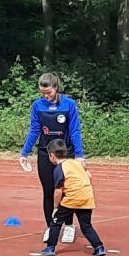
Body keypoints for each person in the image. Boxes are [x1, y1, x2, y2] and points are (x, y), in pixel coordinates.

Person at [18, 73, 85, 244]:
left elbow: (75, 130)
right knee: (48, 191)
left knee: (66, 190)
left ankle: (69, 226)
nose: (46, 96)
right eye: (42, 93)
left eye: (48, 92)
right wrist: (24, 153)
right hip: (46, 152)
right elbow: (35, 130)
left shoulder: (69, 104)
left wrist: (80, 155)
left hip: (66, 152)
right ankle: (51, 227)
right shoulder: (38, 106)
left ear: (56, 88)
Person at [36, 140, 106, 256]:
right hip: (86, 198)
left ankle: (50, 247)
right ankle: (99, 247)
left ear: (52, 155)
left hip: (72, 199)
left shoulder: (59, 169)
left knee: (56, 222)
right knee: (86, 226)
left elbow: (58, 191)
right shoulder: (77, 163)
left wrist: (56, 207)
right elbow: (89, 176)